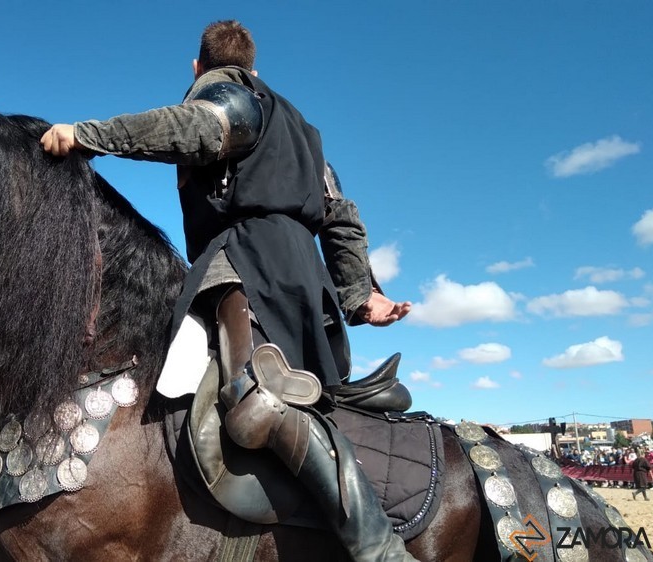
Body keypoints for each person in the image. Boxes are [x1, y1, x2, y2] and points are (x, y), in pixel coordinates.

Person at [42, 20, 414, 561]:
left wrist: (87, 134)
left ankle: (381, 551)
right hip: (302, 282)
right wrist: (359, 295)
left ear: (200, 68)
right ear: (255, 66)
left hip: (246, 265)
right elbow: (341, 219)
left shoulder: (232, 98)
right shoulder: (307, 136)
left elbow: (192, 127)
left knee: (252, 401)